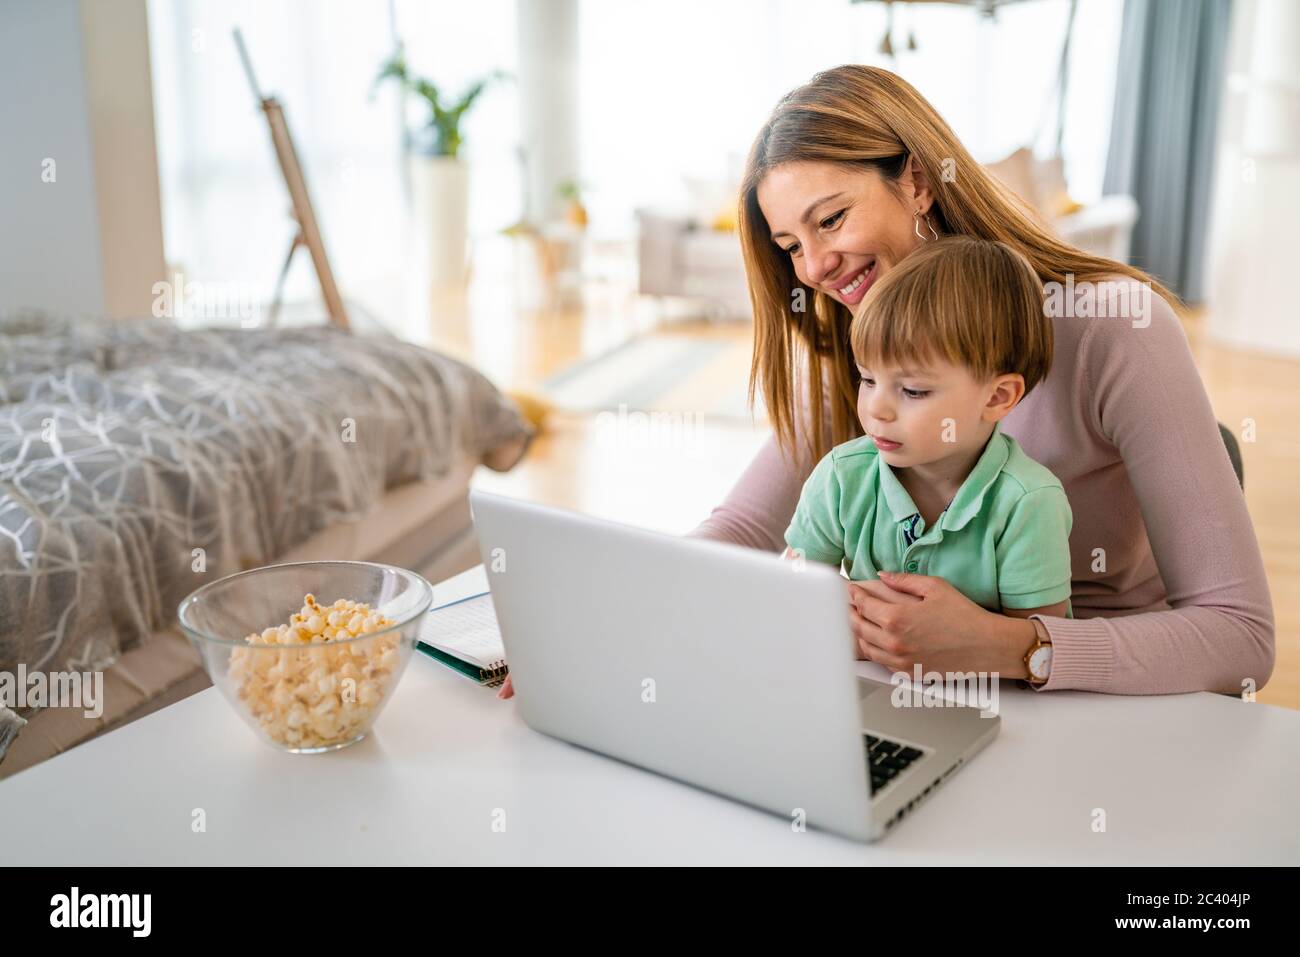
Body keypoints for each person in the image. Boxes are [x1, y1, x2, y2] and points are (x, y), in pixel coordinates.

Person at [499, 64, 1273, 700]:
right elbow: (741, 531)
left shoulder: (1112, 328)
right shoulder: (850, 349)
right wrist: (605, 628)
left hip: (1098, 706)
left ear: (916, 181)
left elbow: (1240, 637)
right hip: (903, 698)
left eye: (830, 220)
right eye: (790, 244)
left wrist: (1012, 646)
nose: (813, 268)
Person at [783, 236, 1074, 674]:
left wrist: (860, 632)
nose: (876, 409)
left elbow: (1034, 647)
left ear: (997, 397)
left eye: (913, 390)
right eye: (866, 379)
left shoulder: (1029, 502)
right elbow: (792, 601)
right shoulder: (842, 478)